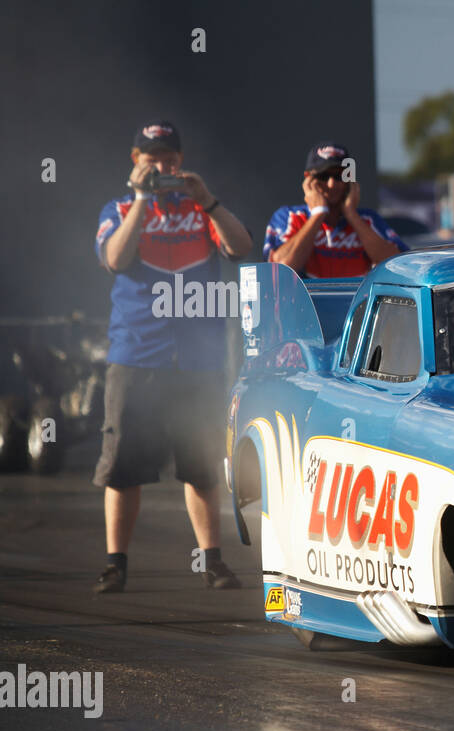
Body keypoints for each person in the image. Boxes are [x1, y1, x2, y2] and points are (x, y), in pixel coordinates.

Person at [92, 120, 254, 593]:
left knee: (201, 465)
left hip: (197, 360)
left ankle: (212, 562)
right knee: (123, 466)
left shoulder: (200, 206)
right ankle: (115, 564)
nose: (159, 165)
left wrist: (208, 200)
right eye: (150, 157)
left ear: (179, 160)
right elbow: (116, 260)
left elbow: (242, 248)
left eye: (167, 158)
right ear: (135, 160)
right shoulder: (119, 207)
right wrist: (142, 200)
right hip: (136, 355)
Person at [264, 142, 407, 277]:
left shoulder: (367, 220)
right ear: (308, 180)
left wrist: (352, 215)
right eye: (323, 176)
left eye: (339, 176)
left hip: (356, 302)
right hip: (305, 302)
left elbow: (399, 268)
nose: (331, 184)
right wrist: (318, 214)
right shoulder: (288, 216)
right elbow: (280, 270)